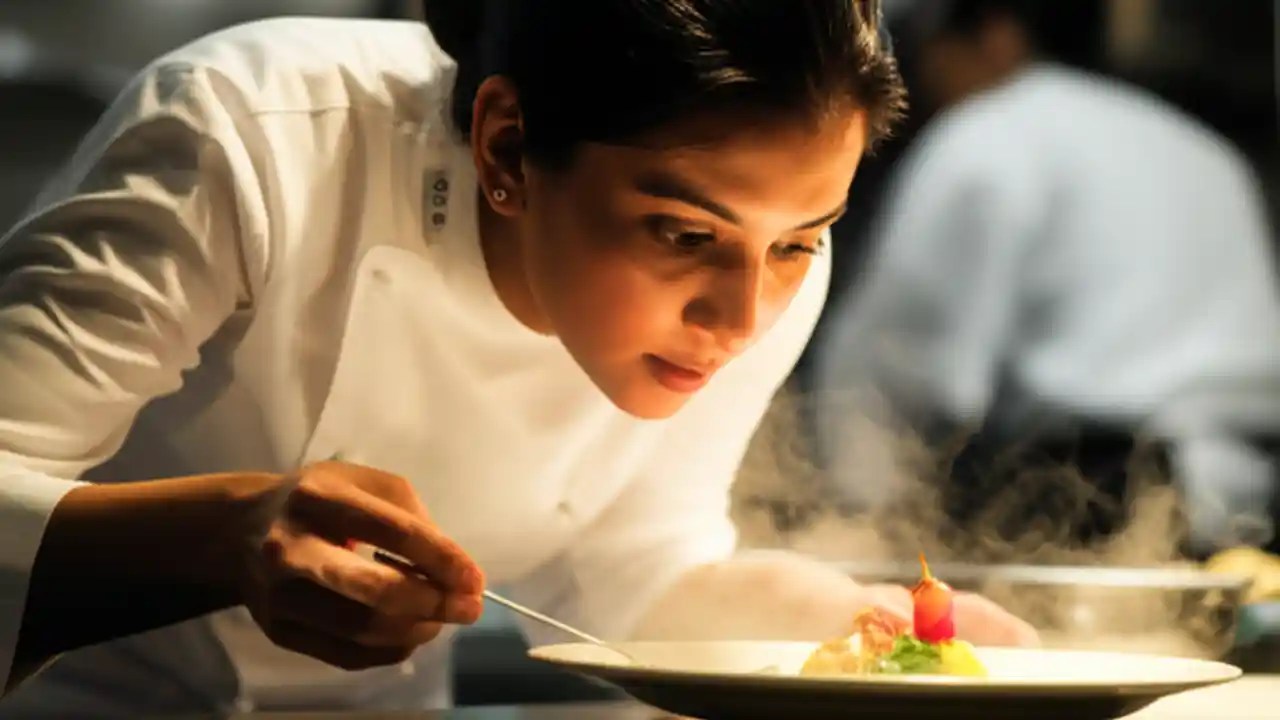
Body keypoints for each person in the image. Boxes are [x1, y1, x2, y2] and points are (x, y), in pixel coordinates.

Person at [0, 0, 1036, 715]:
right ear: (503, 148)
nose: (741, 316)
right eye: (681, 234)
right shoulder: (251, 138)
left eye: (801, 240)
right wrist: (225, 537)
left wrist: (861, 632)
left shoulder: (766, 278)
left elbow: (637, 569)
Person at [814, 0, 1280, 552]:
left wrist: (859, 518)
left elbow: (902, 373)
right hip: (1246, 507)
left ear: (994, 33)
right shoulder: (1201, 147)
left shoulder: (988, 134)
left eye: (920, 54)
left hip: (1088, 500)